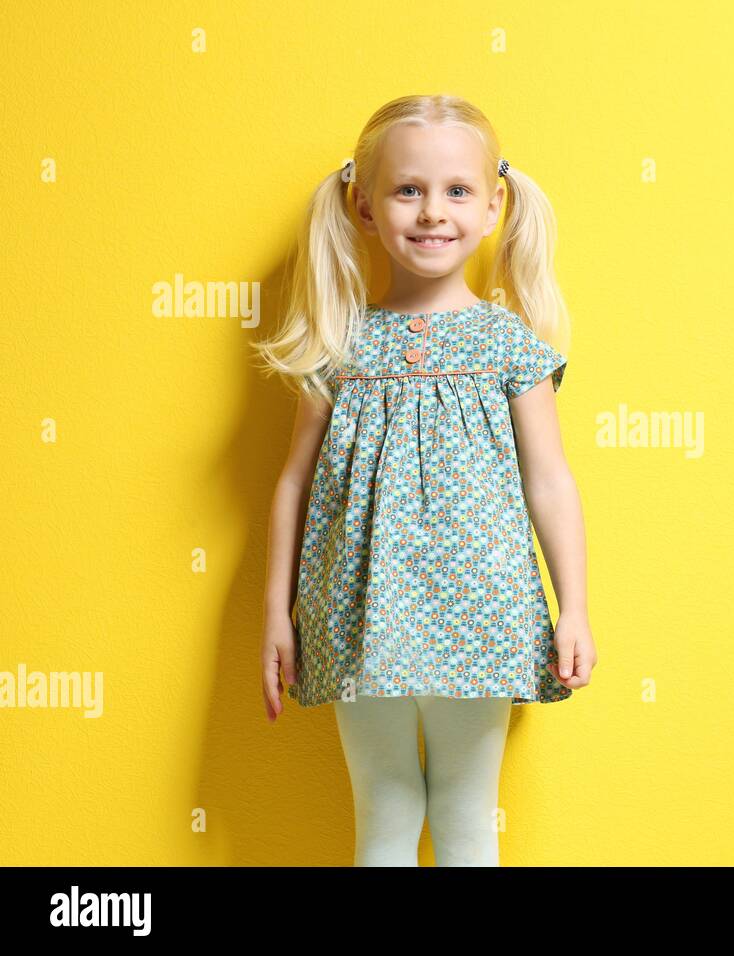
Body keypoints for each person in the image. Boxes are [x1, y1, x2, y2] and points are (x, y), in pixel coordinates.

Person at [252, 93, 596, 866]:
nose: (432, 212)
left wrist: (573, 607)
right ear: (365, 208)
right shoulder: (338, 347)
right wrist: (278, 613)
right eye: (408, 189)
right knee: (384, 803)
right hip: (357, 604)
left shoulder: (508, 344)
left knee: (468, 812)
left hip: (483, 607)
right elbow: (291, 486)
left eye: (456, 191)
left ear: (491, 205)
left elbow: (551, 481)